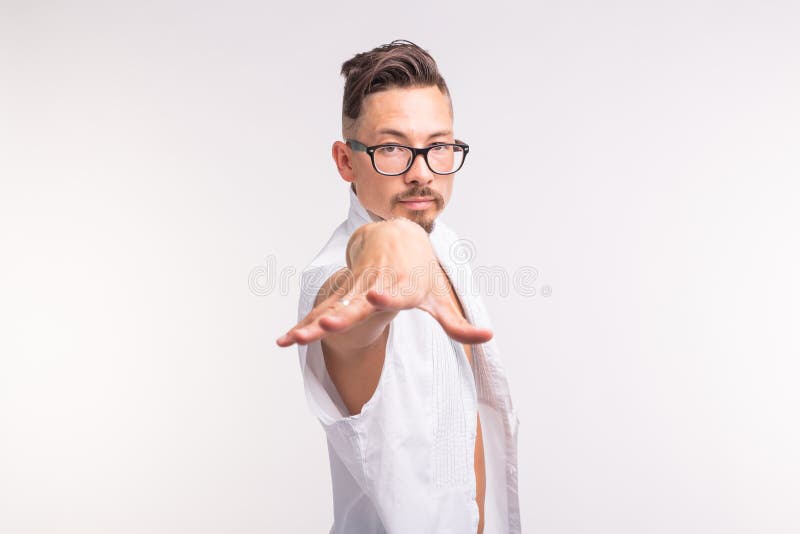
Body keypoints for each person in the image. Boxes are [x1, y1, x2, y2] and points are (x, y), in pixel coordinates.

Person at [277, 40, 520, 534]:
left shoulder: (444, 242)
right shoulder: (339, 281)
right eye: (391, 148)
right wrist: (380, 245)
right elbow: (353, 312)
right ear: (346, 161)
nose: (421, 173)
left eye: (438, 146)